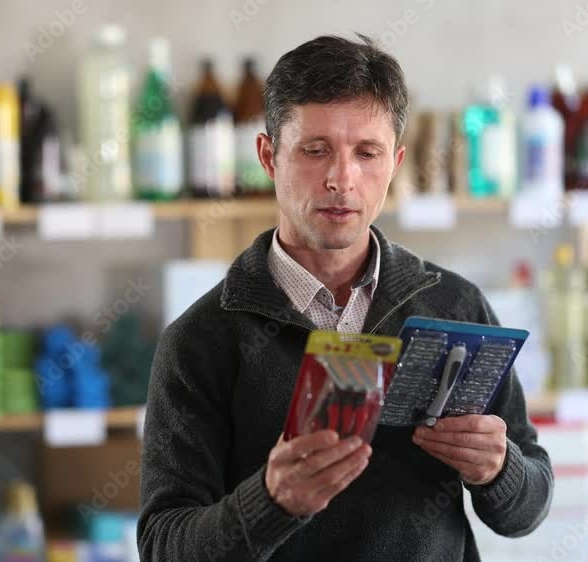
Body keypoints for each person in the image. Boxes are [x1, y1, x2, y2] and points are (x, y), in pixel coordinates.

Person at [137, 35, 553, 561]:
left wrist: (499, 469)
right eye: (315, 150)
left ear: (396, 162)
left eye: (367, 153)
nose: (341, 179)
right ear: (268, 156)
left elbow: (529, 506)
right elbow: (162, 547)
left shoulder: (455, 307)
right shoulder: (199, 342)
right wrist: (268, 503)